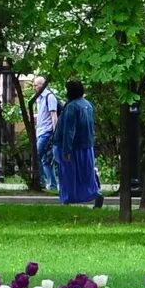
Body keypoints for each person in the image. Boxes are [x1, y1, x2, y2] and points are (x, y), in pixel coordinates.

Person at [55, 78, 102, 207]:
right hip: (87, 145)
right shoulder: (87, 104)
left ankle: (67, 199)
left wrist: (66, 150)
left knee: (68, 174)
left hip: (72, 147)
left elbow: (68, 131)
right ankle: (95, 193)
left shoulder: (71, 107)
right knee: (86, 173)